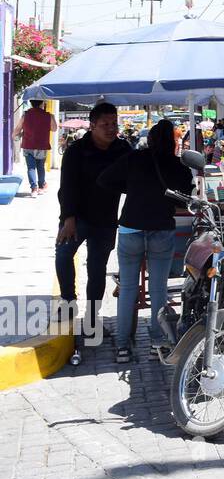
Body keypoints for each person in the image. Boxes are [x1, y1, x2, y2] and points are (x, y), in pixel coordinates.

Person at [98, 120, 194, 363]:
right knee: (158, 290)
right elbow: (185, 201)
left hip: (131, 229)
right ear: (174, 142)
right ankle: (157, 344)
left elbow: (104, 180)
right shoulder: (179, 166)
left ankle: (122, 347)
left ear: (150, 139)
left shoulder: (134, 158)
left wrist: (132, 187)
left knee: (129, 289)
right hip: (162, 230)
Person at [56, 102, 132, 366]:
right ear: (93, 125)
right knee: (63, 255)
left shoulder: (123, 149)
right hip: (75, 218)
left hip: (105, 221)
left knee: (98, 270)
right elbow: (66, 187)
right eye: (105, 124)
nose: (111, 129)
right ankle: (67, 303)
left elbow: (132, 179)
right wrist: (68, 219)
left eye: (114, 123)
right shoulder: (77, 151)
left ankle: (91, 321)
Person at [13, 99, 55, 195]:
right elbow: (54, 129)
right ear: (42, 103)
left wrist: (14, 135)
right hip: (42, 145)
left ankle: (33, 189)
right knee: (41, 167)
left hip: (28, 145)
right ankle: (41, 187)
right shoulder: (48, 115)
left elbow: (18, 128)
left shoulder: (25, 114)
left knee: (31, 167)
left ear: (31, 103)